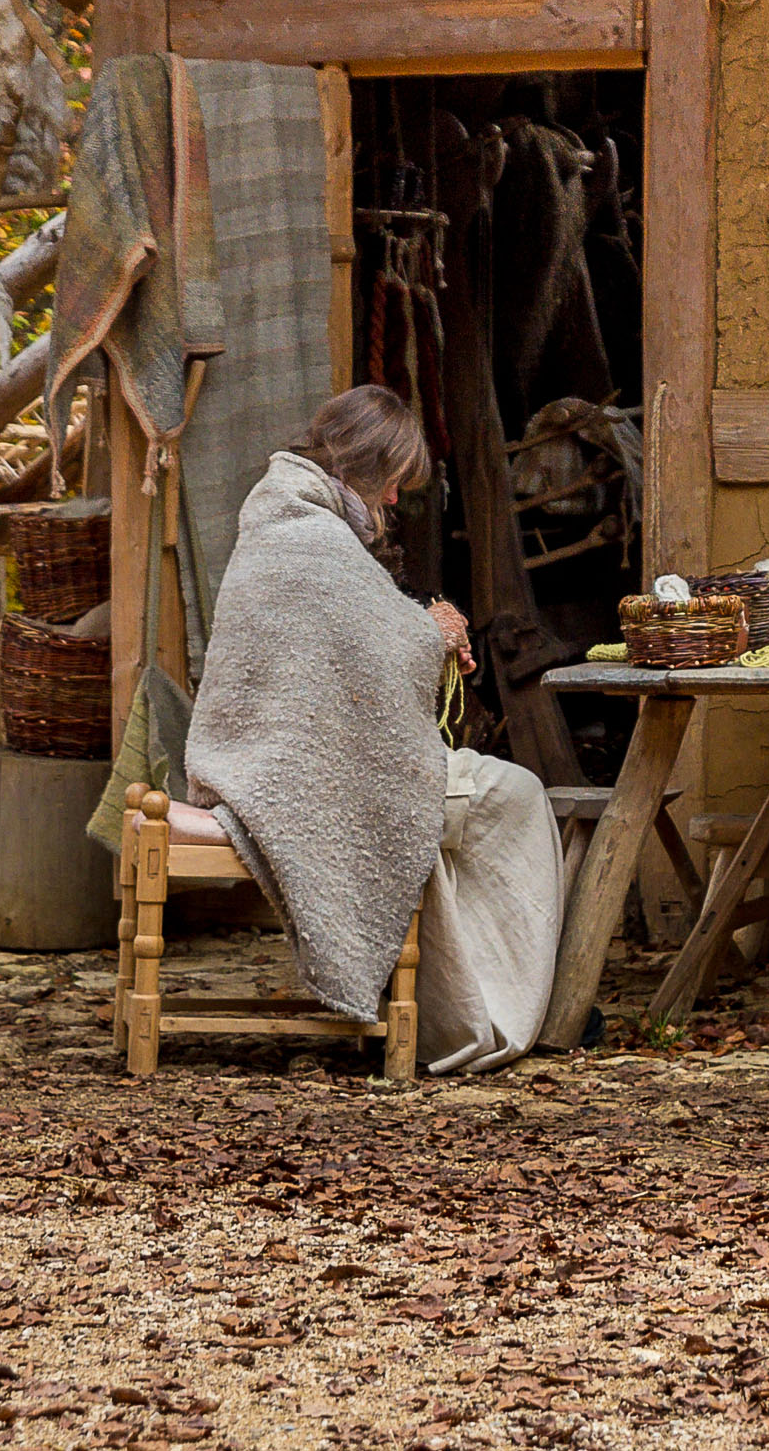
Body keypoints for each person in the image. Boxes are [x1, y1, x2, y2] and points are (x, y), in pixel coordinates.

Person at [177, 386, 566, 1075]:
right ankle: (490, 1019)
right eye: (392, 484)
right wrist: (437, 631)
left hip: (262, 766)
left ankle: (455, 1008)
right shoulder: (312, 539)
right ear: (364, 466)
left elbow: (356, 648)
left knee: (457, 801)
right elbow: (385, 651)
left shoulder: (280, 520)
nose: (393, 502)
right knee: (520, 796)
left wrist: (421, 632)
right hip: (289, 780)